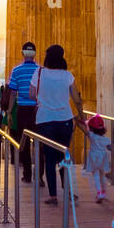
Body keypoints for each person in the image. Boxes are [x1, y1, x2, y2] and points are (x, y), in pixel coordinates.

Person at [29, 45, 84, 204]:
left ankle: (53, 195)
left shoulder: (39, 72)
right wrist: (81, 116)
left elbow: (32, 94)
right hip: (64, 119)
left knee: (49, 157)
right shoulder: (67, 76)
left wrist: (43, 100)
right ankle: (68, 192)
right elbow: (76, 99)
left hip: (45, 119)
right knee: (64, 156)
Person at [5, 40, 40, 183]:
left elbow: (13, 93)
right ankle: (39, 175)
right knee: (39, 143)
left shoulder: (16, 71)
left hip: (22, 110)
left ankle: (27, 174)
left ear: (22, 54)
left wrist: (9, 112)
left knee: (23, 142)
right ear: (35, 54)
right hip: (38, 110)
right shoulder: (40, 70)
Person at [82, 113, 111, 202]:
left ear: (91, 128)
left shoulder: (92, 136)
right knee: (102, 175)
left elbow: (84, 129)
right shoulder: (105, 138)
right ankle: (104, 192)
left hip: (94, 157)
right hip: (103, 157)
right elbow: (109, 147)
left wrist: (78, 121)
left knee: (96, 175)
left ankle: (99, 193)